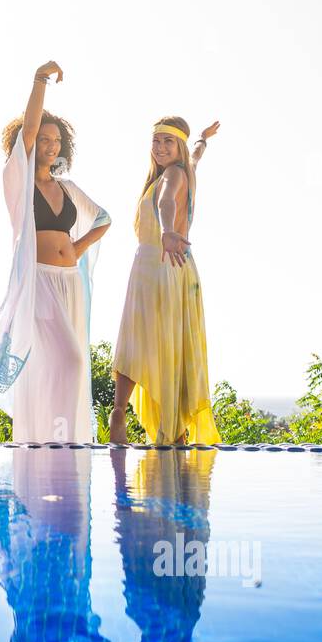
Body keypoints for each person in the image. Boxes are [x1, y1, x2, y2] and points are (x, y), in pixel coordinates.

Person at [0, 60, 111, 442]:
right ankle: (41, 438)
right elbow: (28, 128)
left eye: (56, 140)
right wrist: (40, 81)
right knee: (67, 362)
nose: (50, 145)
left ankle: (61, 440)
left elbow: (104, 218)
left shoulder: (69, 188)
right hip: (37, 282)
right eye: (44, 138)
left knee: (59, 364)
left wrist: (77, 247)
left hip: (69, 283)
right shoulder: (18, 180)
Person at [108, 117, 222, 445]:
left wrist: (166, 231)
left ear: (178, 147)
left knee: (138, 339)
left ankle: (122, 414)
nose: (160, 148)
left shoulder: (174, 174)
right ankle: (163, 423)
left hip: (162, 262)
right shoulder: (186, 168)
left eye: (167, 142)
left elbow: (166, 201)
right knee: (158, 342)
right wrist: (203, 138)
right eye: (156, 141)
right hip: (162, 265)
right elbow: (197, 155)